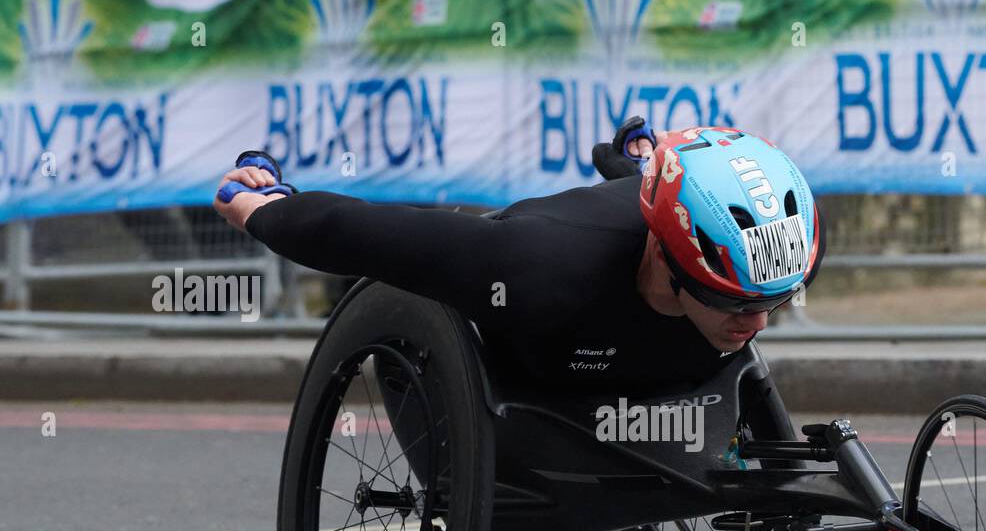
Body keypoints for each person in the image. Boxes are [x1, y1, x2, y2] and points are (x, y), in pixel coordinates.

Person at [213, 121, 825, 394]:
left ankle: (636, 160)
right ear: (669, 260)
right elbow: (371, 233)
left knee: (644, 180)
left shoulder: (787, 250)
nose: (758, 323)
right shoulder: (539, 267)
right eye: (730, 298)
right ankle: (636, 161)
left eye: (774, 299)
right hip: (525, 352)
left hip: (640, 220)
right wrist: (262, 207)